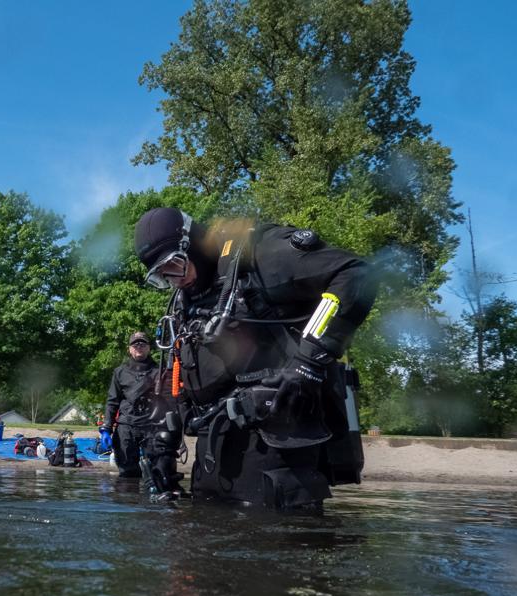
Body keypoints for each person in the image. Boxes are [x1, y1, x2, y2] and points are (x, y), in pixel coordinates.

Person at [134, 207, 377, 511]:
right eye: (161, 277)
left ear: (193, 242)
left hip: (276, 448)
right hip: (214, 460)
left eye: (174, 265)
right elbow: (177, 373)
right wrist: (163, 444)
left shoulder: (256, 257)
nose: (172, 281)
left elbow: (355, 274)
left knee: (272, 549)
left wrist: (309, 362)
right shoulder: (186, 301)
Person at [104, 331, 184, 497]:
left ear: (149, 348)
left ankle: (152, 506)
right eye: (135, 344)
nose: (139, 347)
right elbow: (112, 401)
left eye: (142, 344)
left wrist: (176, 433)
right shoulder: (120, 372)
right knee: (127, 472)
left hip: (152, 427)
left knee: (157, 470)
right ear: (129, 349)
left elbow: (171, 404)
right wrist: (106, 427)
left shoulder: (160, 371)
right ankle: (128, 504)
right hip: (126, 427)